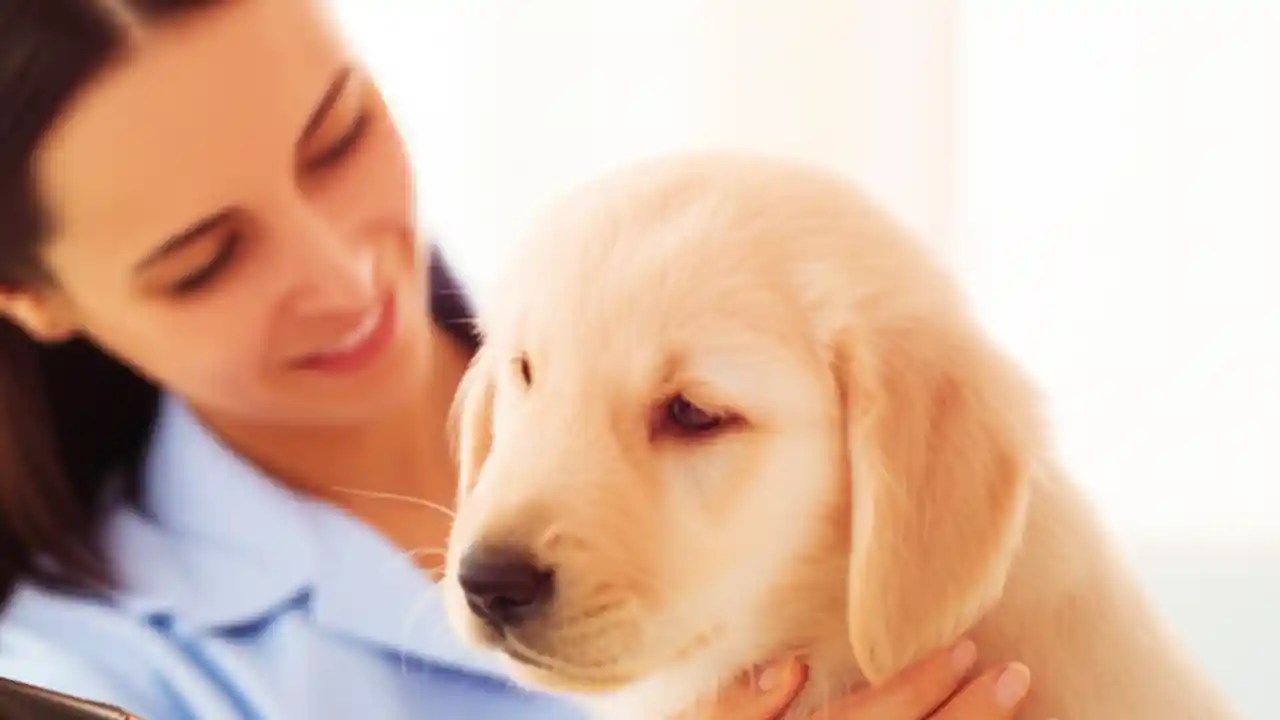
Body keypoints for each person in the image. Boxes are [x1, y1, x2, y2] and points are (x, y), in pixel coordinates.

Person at [0, 1, 1037, 718]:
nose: (347, 273)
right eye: (206, 261)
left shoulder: (733, 320)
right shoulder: (89, 676)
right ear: (35, 300)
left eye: (338, 138)